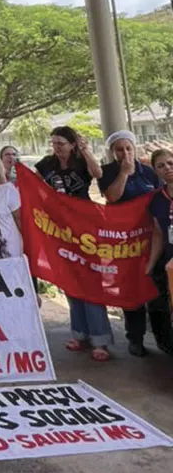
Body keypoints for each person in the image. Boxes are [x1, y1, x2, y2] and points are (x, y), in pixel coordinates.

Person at [35, 127, 111, 360]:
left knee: (90, 280)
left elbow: (98, 174)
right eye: (54, 143)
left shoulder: (80, 161)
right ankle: (79, 333)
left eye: (61, 143)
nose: (56, 148)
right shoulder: (47, 163)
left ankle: (100, 339)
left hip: (85, 226)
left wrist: (86, 150)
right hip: (59, 229)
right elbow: (34, 184)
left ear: (71, 144)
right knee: (70, 281)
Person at [99, 130, 160, 357]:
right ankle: (135, 338)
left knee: (155, 288)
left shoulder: (150, 172)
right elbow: (113, 197)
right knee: (131, 290)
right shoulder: (108, 172)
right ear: (112, 152)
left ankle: (161, 336)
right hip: (124, 244)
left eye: (128, 148)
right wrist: (123, 174)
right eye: (119, 149)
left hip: (151, 239)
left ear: (135, 148)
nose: (124, 153)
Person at [144, 148, 173, 356]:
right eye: (161, 166)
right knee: (161, 304)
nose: (168, 169)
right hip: (168, 262)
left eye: (171, 163)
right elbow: (157, 234)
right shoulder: (157, 199)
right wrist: (151, 264)